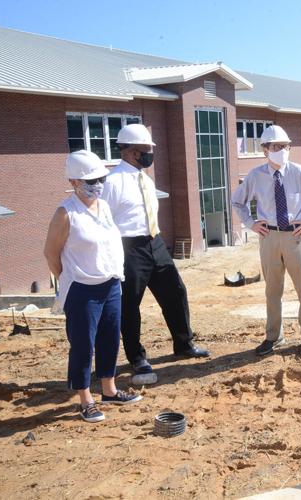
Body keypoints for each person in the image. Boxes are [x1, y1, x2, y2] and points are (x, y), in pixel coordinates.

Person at [101, 123, 209, 386]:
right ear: (129, 151)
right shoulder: (113, 182)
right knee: (130, 305)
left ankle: (183, 344)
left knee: (176, 292)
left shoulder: (146, 180)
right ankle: (137, 357)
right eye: (146, 150)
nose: (150, 154)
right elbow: (105, 222)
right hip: (129, 248)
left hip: (155, 243)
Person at [44, 150, 142, 422]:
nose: (97, 184)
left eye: (100, 178)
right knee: (83, 345)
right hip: (81, 289)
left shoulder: (104, 206)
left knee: (110, 338)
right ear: (74, 181)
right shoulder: (66, 213)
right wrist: (71, 279)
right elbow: (51, 254)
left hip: (110, 284)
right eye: (90, 180)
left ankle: (109, 390)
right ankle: (85, 399)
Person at [231, 125, 301, 357]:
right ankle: (273, 337)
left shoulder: (299, 172)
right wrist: (251, 224)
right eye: (276, 146)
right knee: (272, 290)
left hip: (295, 237)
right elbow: (237, 202)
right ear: (265, 150)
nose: (281, 150)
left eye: (285, 146)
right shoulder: (255, 176)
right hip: (269, 237)